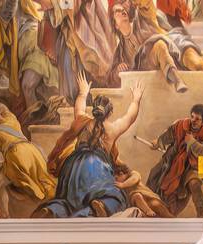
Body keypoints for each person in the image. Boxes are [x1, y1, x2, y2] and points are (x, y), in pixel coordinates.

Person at [35, 74, 147, 217]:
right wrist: (136, 99)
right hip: (97, 167)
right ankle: (99, 206)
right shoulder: (112, 129)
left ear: (94, 109)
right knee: (115, 196)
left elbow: (78, 110)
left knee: (68, 201)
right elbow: (130, 117)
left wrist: (83, 93)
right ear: (110, 112)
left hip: (72, 167)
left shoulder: (83, 121)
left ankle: (53, 210)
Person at [107, 0, 203, 91]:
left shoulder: (143, 20)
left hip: (175, 49)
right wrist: (117, 70)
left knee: (196, 64)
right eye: (117, 11)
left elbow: (147, 4)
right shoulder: (120, 51)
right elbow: (110, 78)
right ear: (115, 24)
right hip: (157, 62)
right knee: (159, 46)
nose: (122, 11)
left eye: (122, 9)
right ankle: (176, 79)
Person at [146, 105, 203, 215]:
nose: (193, 121)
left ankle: (200, 213)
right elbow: (167, 136)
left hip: (191, 167)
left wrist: (192, 142)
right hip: (174, 163)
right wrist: (157, 142)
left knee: (194, 183)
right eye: (192, 117)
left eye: (197, 119)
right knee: (156, 176)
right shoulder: (181, 125)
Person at [0, 101, 55, 206]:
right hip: (32, 151)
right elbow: (4, 108)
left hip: (16, 155)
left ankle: (5, 215)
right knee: (44, 180)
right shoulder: (11, 120)